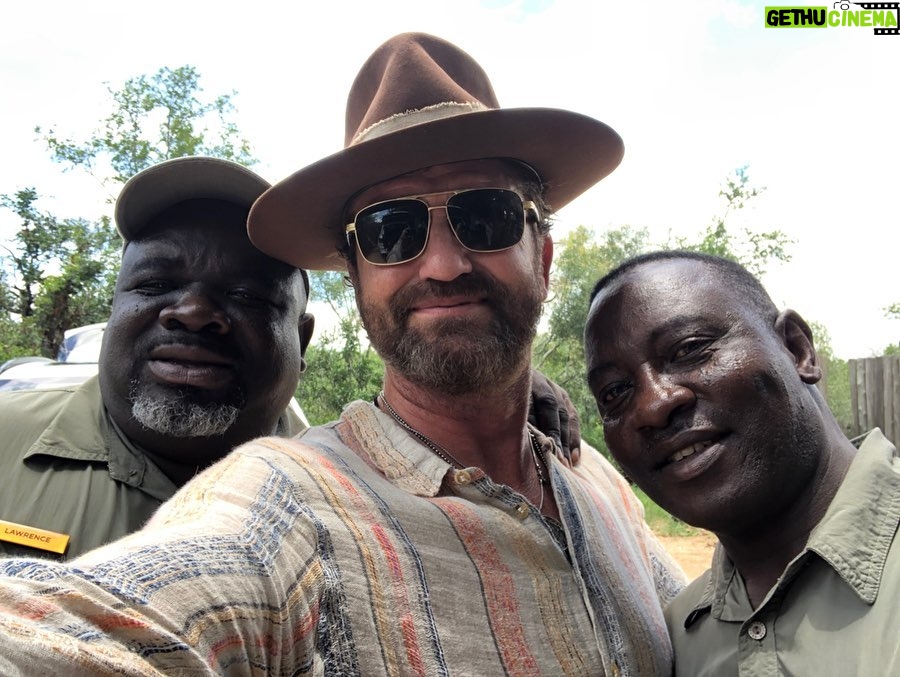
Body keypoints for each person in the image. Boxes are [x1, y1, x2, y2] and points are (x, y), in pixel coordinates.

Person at [0, 33, 685, 674]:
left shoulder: (595, 483)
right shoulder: (286, 508)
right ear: (358, 278)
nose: (444, 264)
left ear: (543, 255)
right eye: (391, 230)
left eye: (487, 216)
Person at [583, 250, 900, 675]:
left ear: (796, 349)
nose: (653, 405)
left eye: (690, 348)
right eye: (615, 392)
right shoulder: (677, 638)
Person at [0, 156, 316, 559]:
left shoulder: (352, 502)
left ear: (301, 341)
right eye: (154, 283)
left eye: (247, 295)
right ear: (113, 310)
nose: (193, 313)